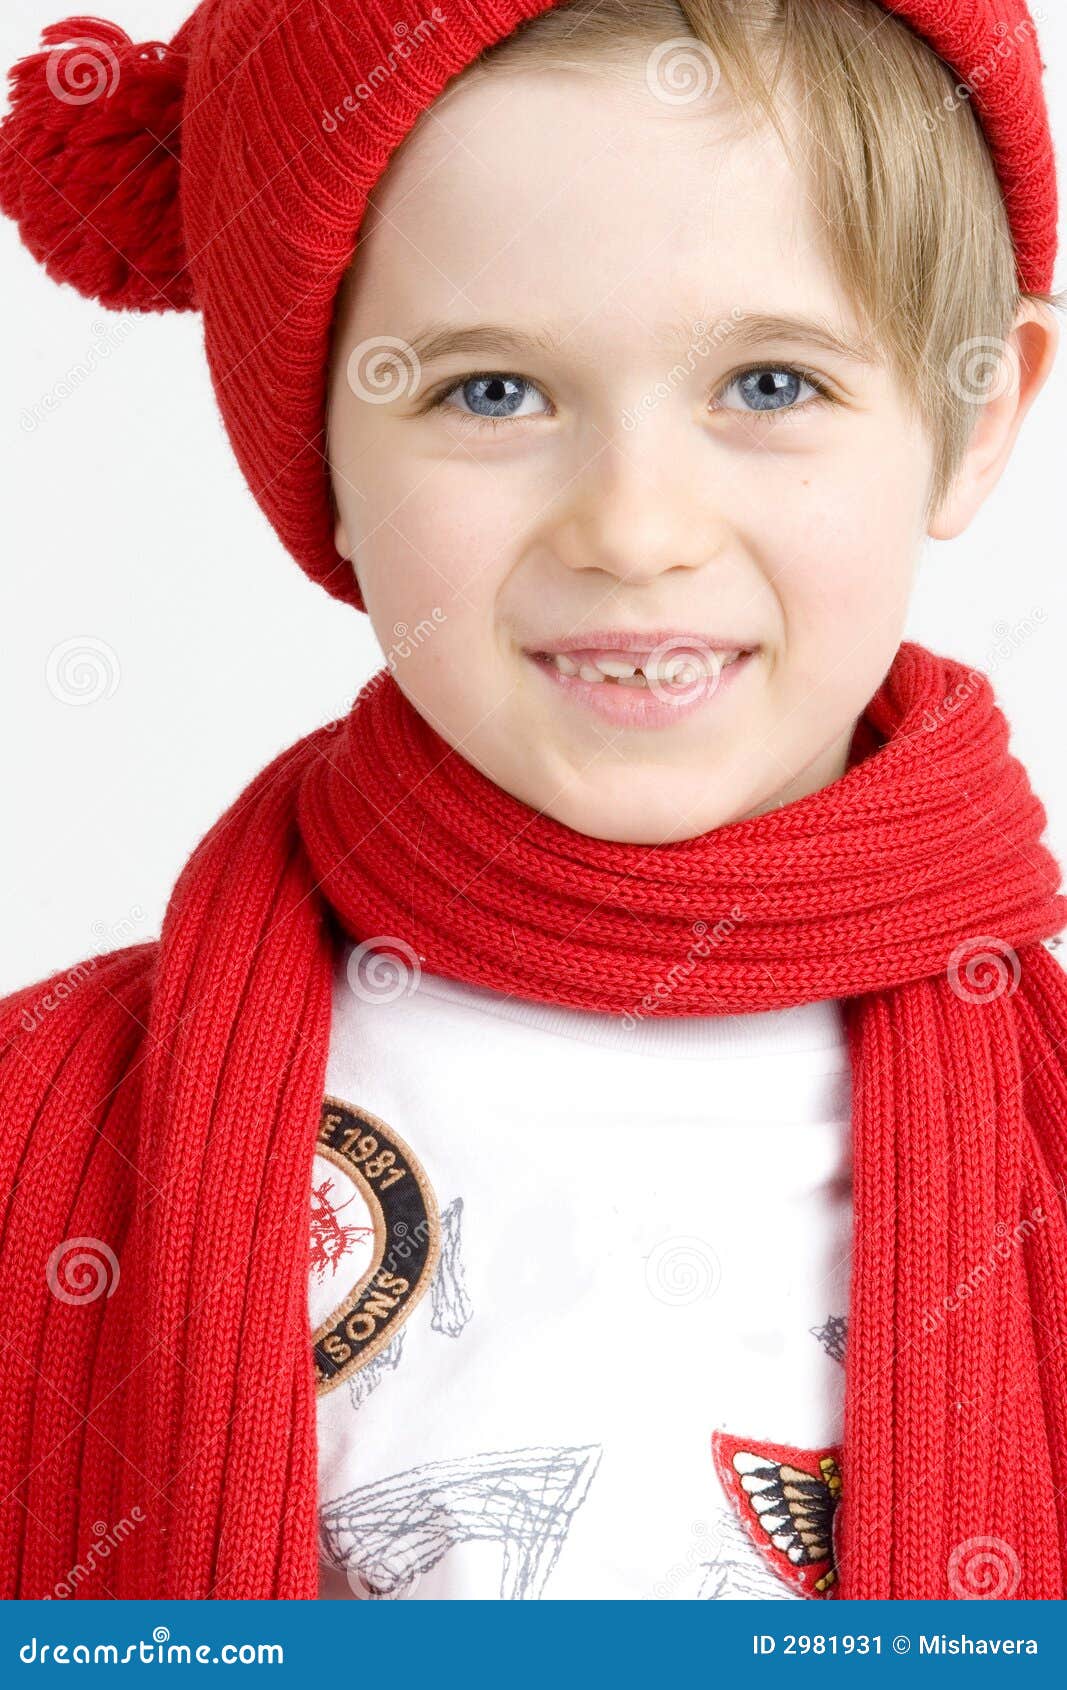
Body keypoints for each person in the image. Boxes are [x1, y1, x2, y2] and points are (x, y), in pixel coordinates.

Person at [1, 0, 1066, 1602]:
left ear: (978, 411)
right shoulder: (40, 1141)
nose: (635, 530)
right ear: (321, 457)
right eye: (491, 393)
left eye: (771, 383)